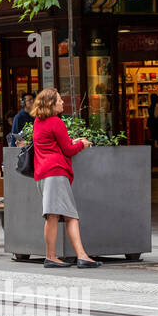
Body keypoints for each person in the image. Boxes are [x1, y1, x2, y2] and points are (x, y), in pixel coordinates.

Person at [31, 87, 100, 269]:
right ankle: (76, 256)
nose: (63, 102)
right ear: (51, 104)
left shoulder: (39, 122)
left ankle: (54, 256)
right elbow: (68, 150)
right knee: (70, 215)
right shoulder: (56, 122)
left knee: (53, 216)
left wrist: (74, 142)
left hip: (43, 173)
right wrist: (82, 145)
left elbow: (57, 144)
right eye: (60, 100)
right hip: (56, 172)